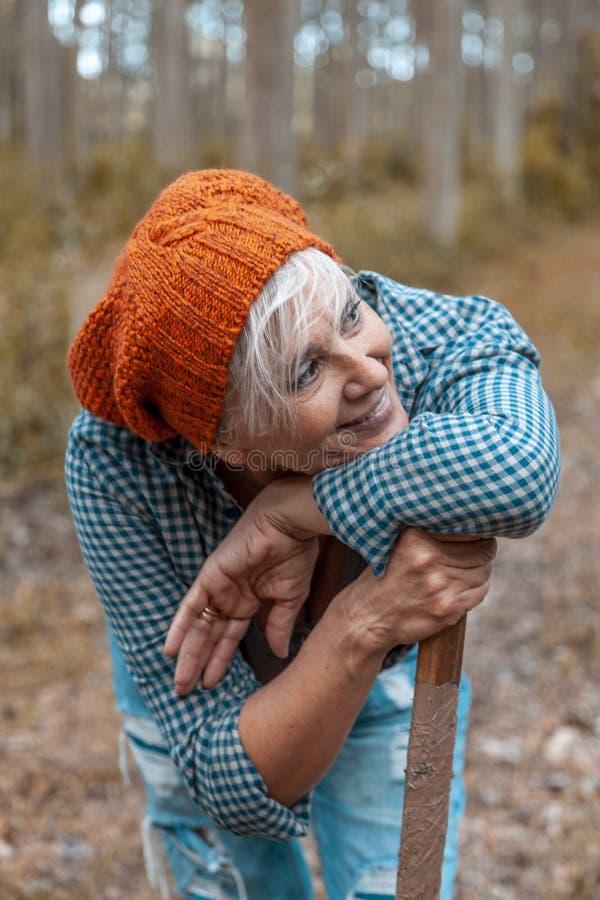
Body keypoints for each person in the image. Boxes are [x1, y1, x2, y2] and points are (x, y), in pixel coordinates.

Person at [65, 169, 560, 900]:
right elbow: (220, 778)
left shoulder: (438, 335)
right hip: (197, 660)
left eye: (352, 315)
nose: (369, 370)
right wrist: (364, 619)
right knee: (235, 879)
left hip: (385, 688)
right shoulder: (117, 462)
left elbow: (515, 472)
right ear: (225, 439)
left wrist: (299, 507)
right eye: (305, 372)